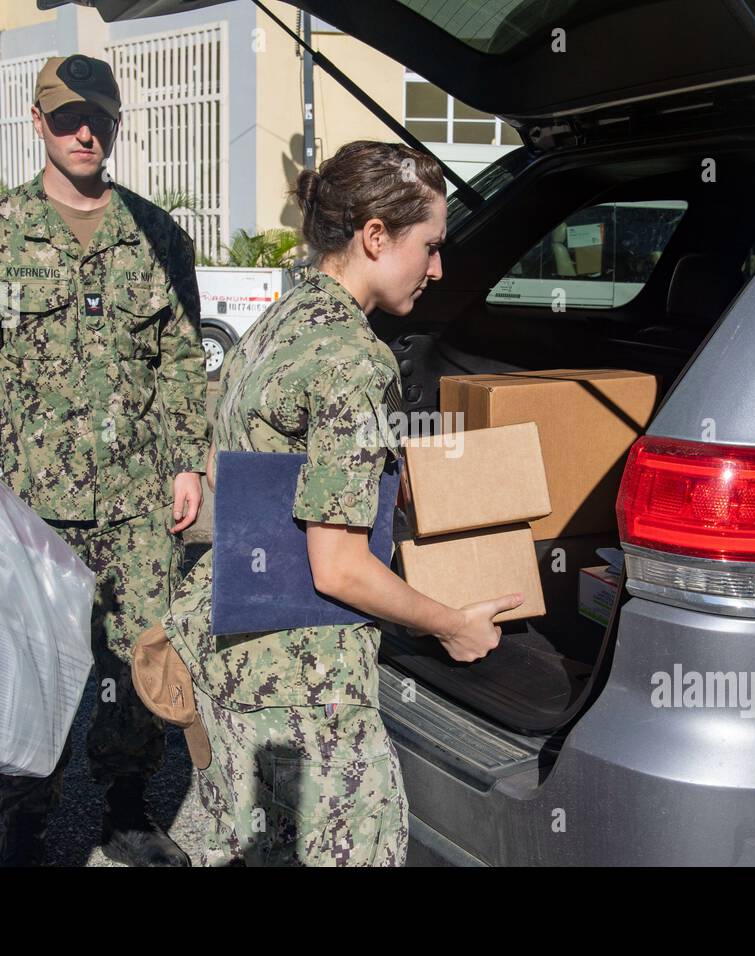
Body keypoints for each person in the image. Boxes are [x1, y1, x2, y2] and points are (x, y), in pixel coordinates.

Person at [162, 141, 521, 866]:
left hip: (233, 657)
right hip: (306, 685)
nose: (439, 268)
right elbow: (338, 568)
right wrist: (453, 626)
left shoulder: (279, 322)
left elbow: (241, 463)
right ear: (376, 236)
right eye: (431, 246)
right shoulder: (355, 359)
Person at [0, 55, 209, 867]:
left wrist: (188, 462)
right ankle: (26, 816)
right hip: (30, 505)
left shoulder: (160, 237)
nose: (85, 131)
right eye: (66, 117)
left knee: (143, 658)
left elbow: (181, 359)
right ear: (36, 121)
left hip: (137, 507)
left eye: (100, 118)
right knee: (31, 669)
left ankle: (125, 808)